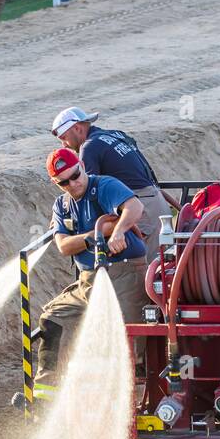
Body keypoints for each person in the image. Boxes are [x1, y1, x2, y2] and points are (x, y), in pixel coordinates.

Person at [35, 146, 146, 393]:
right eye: (64, 182)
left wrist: (117, 232)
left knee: (127, 335)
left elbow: (135, 207)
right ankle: (47, 392)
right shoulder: (62, 205)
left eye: (75, 175)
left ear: (82, 167)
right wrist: (95, 235)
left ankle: (135, 398)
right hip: (88, 279)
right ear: (56, 183)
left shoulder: (104, 186)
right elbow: (64, 246)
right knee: (52, 319)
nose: (73, 184)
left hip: (124, 272)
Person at [50, 106, 168, 259]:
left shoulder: (89, 147)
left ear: (77, 128)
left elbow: (86, 190)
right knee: (161, 271)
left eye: (64, 138)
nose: (64, 145)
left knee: (146, 271)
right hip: (156, 204)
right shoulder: (114, 135)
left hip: (141, 212)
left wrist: (61, 218)